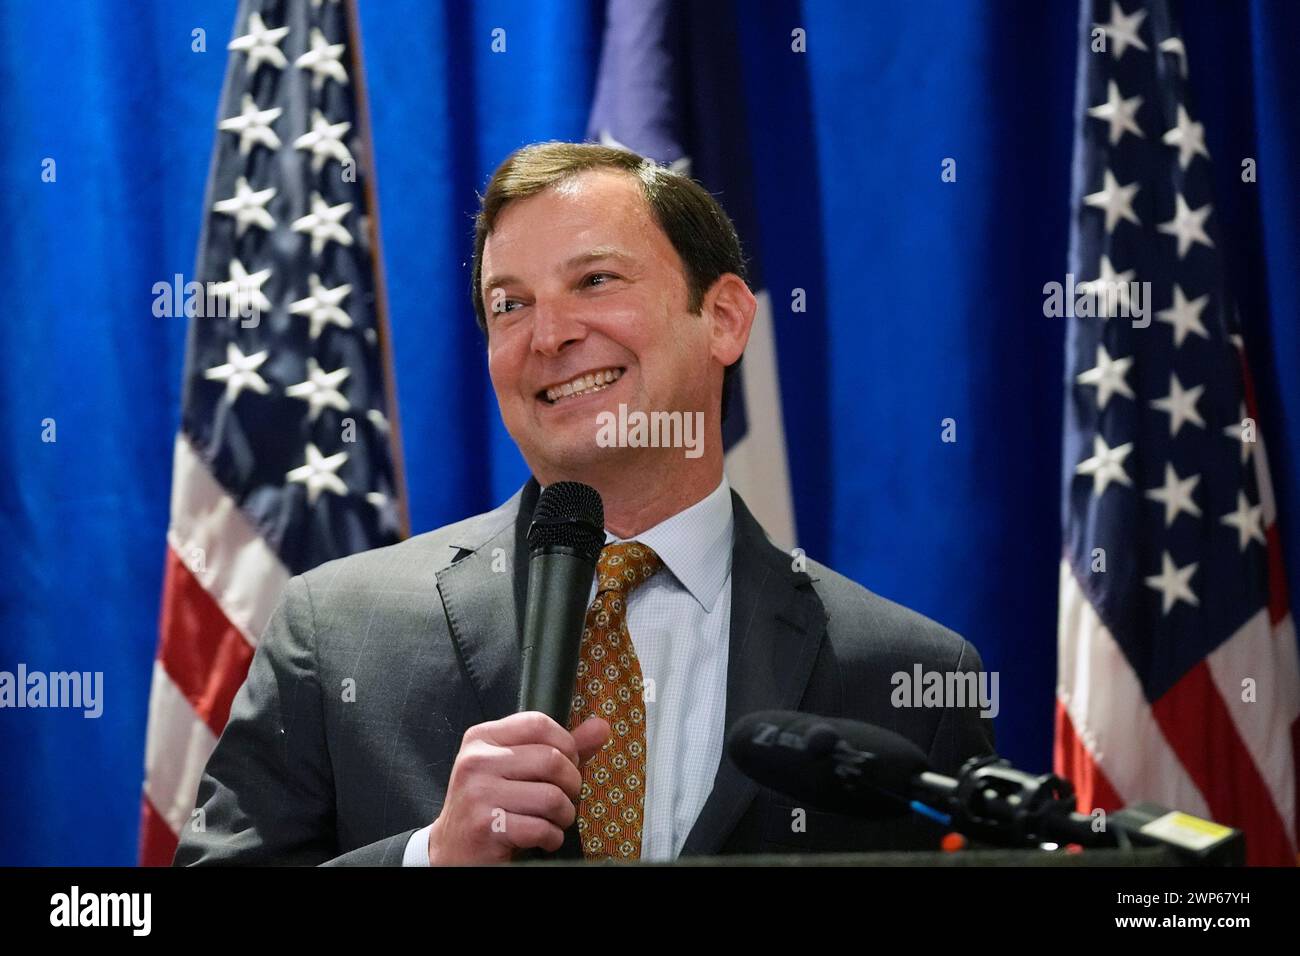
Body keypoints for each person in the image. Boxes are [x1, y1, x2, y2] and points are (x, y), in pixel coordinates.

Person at [174, 141, 995, 866]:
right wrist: (430, 860)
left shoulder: (904, 675)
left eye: (594, 280)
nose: (548, 334)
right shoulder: (336, 630)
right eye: (510, 304)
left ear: (725, 318)